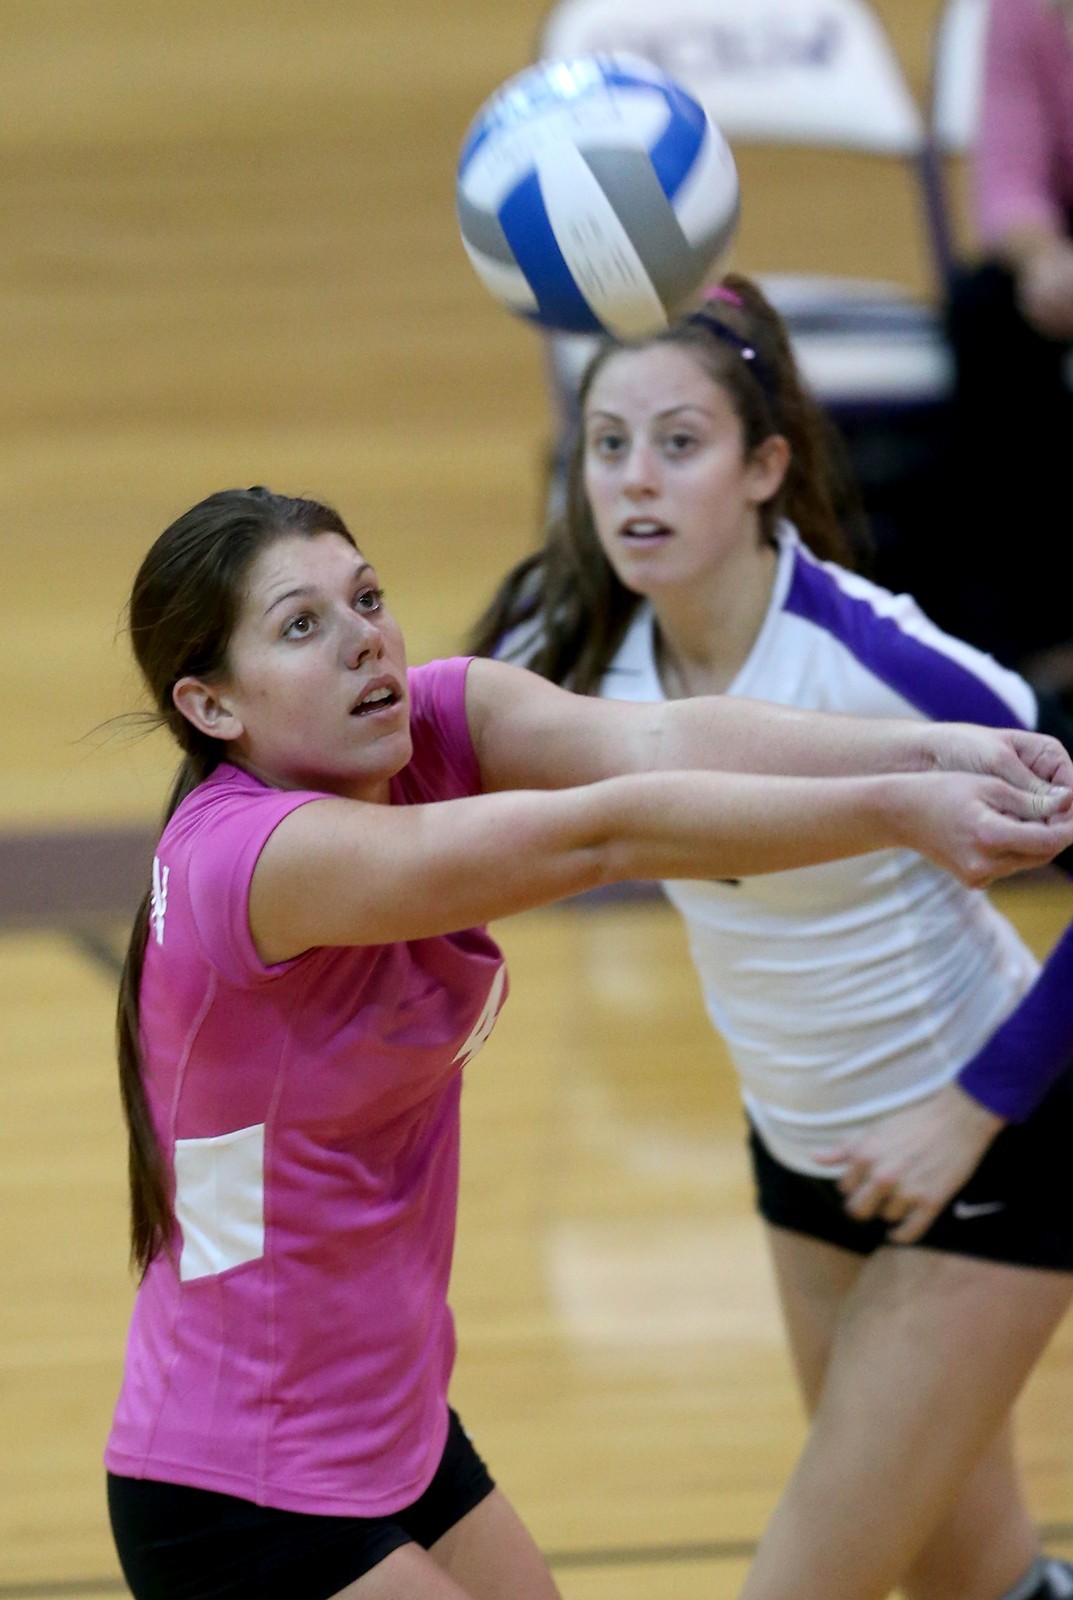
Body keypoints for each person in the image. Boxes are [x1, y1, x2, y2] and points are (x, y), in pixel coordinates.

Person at [103, 486, 1073, 1600]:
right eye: (300, 626)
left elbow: (657, 738)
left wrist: (931, 750)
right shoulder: (251, 860)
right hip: (242, 1485)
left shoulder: (433, 725)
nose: (363, 637)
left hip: (394, 1437)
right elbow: (601, 835)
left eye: (365, 598)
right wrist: (899, 813)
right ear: (211, 705)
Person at [468, 278, 1073, 1600]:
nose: (635, 479)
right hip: (803, 1159)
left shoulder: (882, 664)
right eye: (606, 444)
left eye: (678, 443)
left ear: (764, 468)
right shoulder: (565, 651)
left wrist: (971, 1107)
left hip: (994, 1146)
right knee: (968, 1581)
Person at [933, 0, 1073, 680]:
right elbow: (1009, 182)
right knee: (986, 311)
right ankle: (1035, 645)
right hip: (1064, 248)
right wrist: (1044, 260)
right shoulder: (1022, 9)